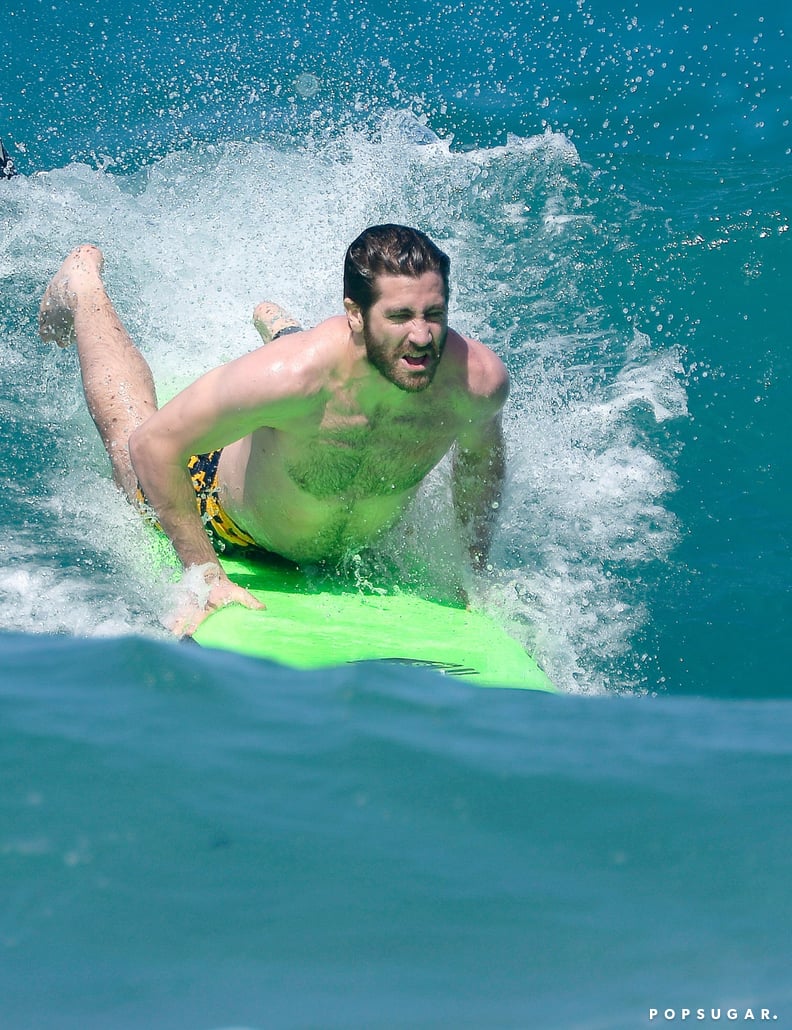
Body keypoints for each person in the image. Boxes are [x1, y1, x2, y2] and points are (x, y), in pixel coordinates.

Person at [39, 224, 508, 633]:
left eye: (435, 314)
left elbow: (480, 465)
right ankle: (83, 288)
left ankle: (286, 329)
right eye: (400, 316)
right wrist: (205, 575)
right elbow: (152, 444)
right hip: (224, 516)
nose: (423, 337)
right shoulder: (291, 379)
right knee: (128, 437)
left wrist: (473, 570)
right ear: (355, 315)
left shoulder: (476, 383)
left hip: (327, 461)